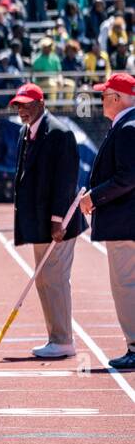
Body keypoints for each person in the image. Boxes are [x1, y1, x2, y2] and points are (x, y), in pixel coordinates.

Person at [8, 83, 85, 359]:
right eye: (18, 105)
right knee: (45, 281)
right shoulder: (24, 132)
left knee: (55, 280)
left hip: (59, 224)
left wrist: (57, 220)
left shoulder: (60, 133)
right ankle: (56, 337)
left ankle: (63, 339)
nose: (22, 110)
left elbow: (66, 180)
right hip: (39, 223)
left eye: (27, 104)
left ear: (41, 103)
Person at [77, 72, 135, 371]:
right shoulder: (126, 125)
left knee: (126, 285)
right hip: (127, 220)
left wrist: (93, 198)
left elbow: (127, 177)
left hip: (126, 222)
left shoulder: (127, 128)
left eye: (104, 95)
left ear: (118, 98)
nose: (101, 100)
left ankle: (134, 346)